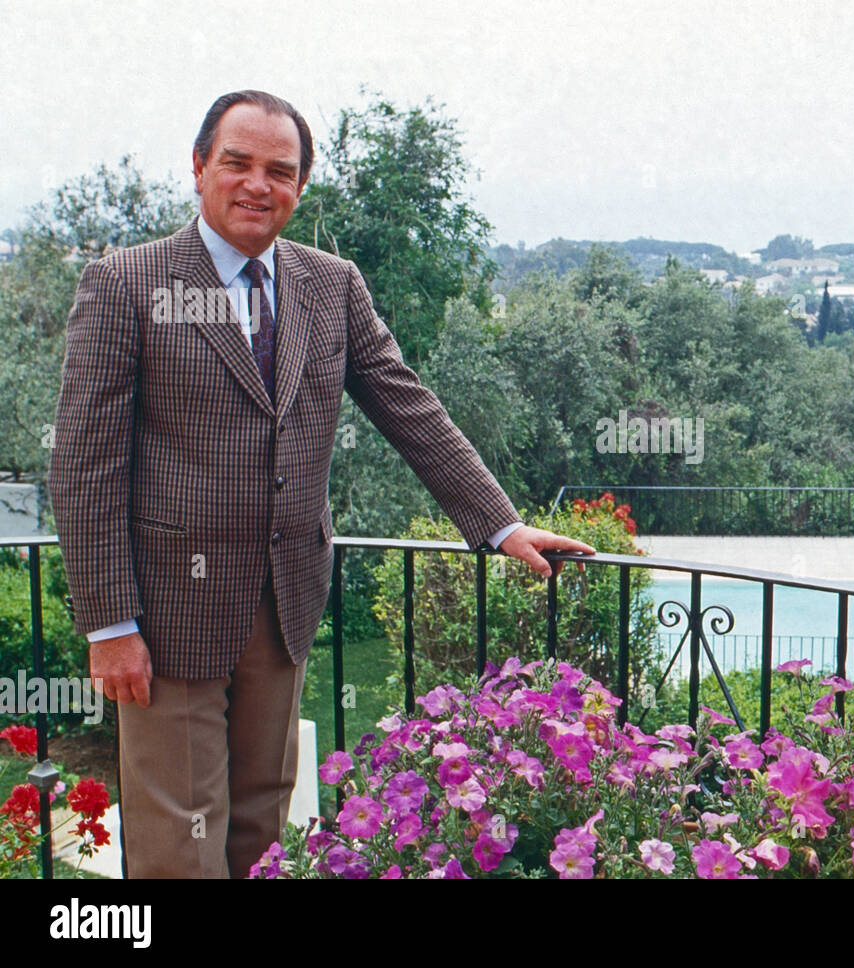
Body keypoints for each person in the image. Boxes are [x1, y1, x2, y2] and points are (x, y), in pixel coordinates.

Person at [47, 90, 594, 878]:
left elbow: (409, 408)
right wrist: (109, 626)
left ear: (300, 186)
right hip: (167, 612)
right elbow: (85, 466)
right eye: (237, 162)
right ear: (199, 167)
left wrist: (502, 525)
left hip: (283, 601)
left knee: (264, 822)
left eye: (281, 169)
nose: (257, 184)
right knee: (181, 838)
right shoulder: (127, 282)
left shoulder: (330, 284)